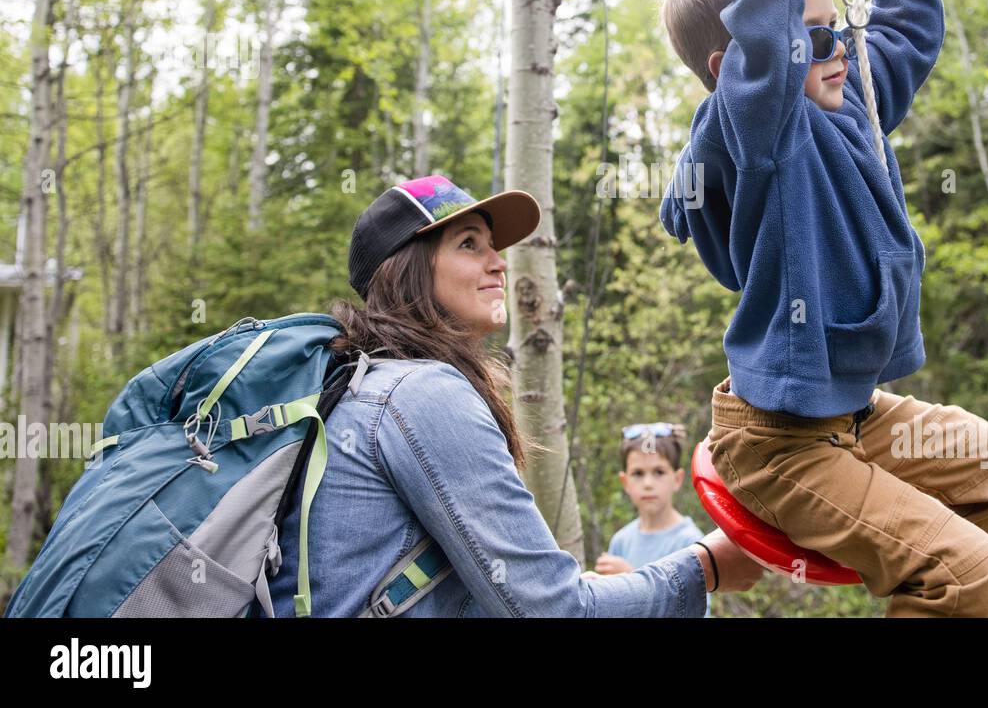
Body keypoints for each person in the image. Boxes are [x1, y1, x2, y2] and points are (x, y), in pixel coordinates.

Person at [657, 0, 988, 616]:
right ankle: (939, 573)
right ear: (736, 70)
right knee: (971, 574)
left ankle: (914, 562)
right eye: (811, 35)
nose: (838, 52)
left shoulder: (842, 102)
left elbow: (905, 34)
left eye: (835, 30)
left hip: (851, 416)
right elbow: (763, 29)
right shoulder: (759, 127)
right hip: (778, 442)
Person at [267, 174, 764, 616]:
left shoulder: (364, 387)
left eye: (492, 246)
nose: (498, 263)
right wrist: (706, 567)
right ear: (407, 271)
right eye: (469, 245)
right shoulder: (423, 394)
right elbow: (553, 612)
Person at [596, 424, 712, 616]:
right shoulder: (621, 541)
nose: (648, 484)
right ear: (625, 482)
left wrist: (630, 578)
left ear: (677, 479)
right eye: (638, 473)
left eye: (659, 472)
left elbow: (697, 612)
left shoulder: (690, 542)